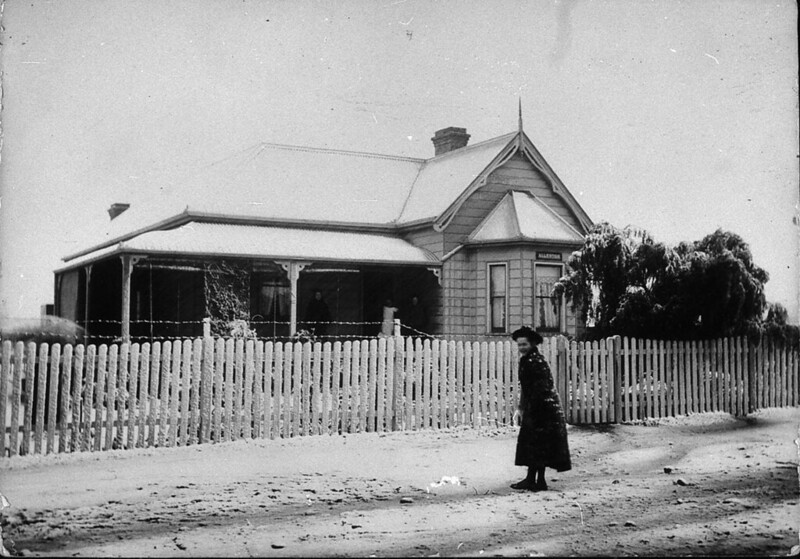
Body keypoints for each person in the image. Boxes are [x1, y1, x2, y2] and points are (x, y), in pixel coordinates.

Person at [510, 325, 571, 491]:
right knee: (534, 443)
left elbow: (541, 387)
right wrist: (522, 407)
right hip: (536, 405)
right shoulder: (527, 360)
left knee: (539, 443)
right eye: (519, 344)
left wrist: (533, 408)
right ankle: (532, 479)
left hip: (544, 408)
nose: (522, 347)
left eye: (524, 344)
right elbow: (525, 387)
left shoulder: (536, 361)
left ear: (532, 344)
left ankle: (539, 481)